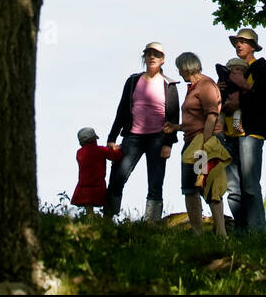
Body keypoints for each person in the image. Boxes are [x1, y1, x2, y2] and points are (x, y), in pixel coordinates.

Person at [104, 41, 180, 222]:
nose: (152, 57)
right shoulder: (133, 81)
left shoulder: (169, 84)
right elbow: (122, 110)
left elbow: (174, 117)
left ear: (163, 60)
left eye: (157, 55)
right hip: (133, 137)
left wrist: (168, 143)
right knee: (118, 177)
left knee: (155, 182)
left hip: (158, 138)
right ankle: (108, 216)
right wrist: (112, 138)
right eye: (149, 54)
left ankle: (151, 222)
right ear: (144, 58)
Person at [219, 28, 266, 232]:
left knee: (250, 184)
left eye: (243, 41)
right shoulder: (229, 72)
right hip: (230, 133)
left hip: (252, 132)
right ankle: (241, 230)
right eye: (236, 41)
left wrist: (240, 101)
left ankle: (256, 231)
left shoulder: (263, 70)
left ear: (253, 46)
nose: (238, 44)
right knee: (233, 188)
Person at [164, 51, 228, 237]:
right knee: (189, 187)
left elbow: (211, 116)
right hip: (191, 142)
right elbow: (195, 120)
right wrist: (176, 127)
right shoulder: (192, 88)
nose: (179, 72)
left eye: (179, 69)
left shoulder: (206, 85)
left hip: (204, 142)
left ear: (186, 67)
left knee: (208, 185)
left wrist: (205, 145)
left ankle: (221, 233)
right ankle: (197, 233)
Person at [71, 127, 122, 215]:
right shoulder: (101, 150)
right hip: (97, 185)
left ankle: (90, 221)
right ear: (94, 139)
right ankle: (105, 220)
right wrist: (118, 149)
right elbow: (116, 156)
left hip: (83, 186)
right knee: (107, 202)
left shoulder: (79, 153)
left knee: (89, 209)